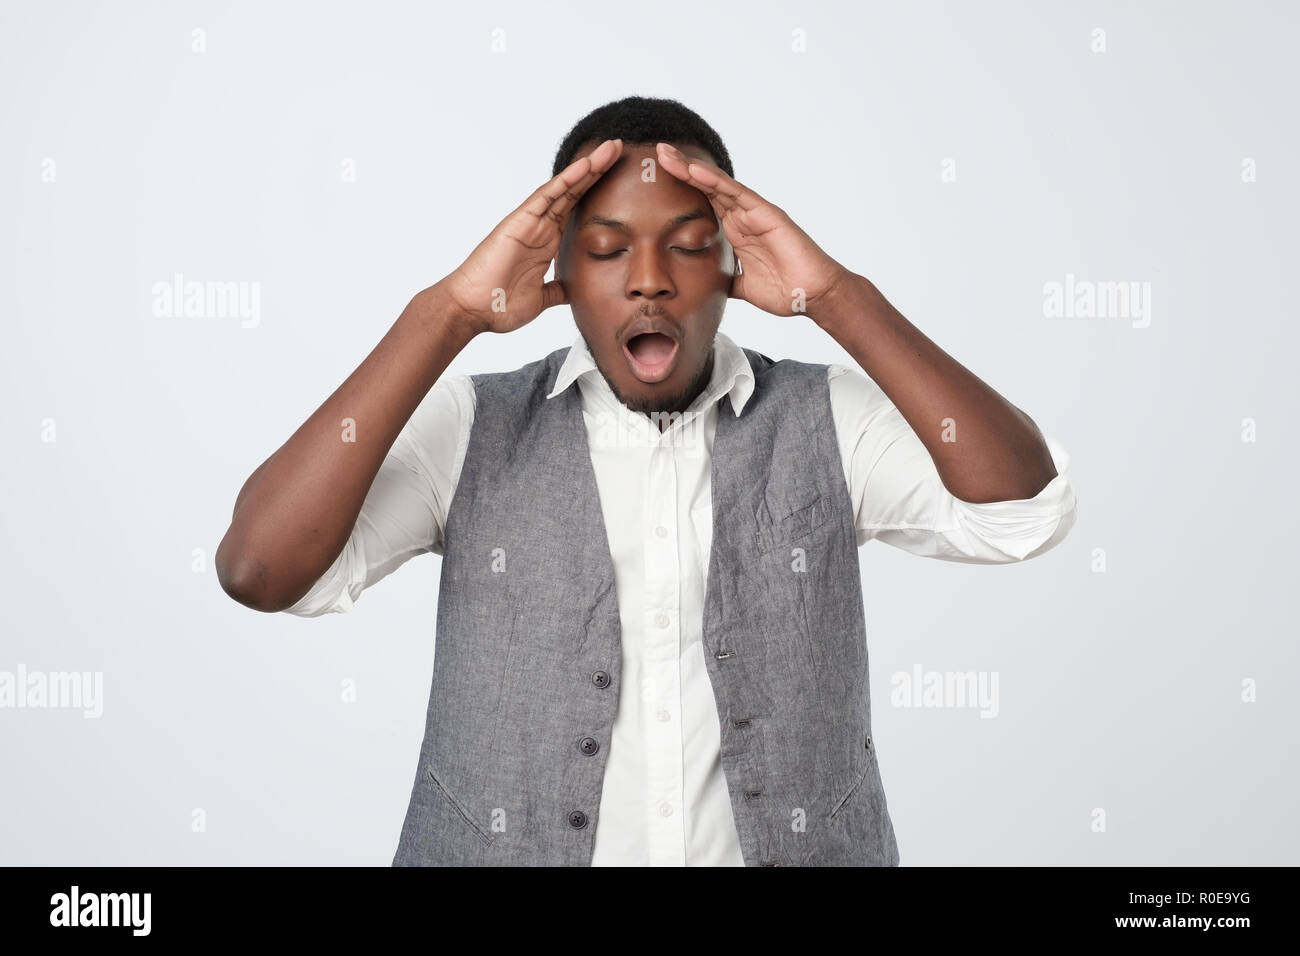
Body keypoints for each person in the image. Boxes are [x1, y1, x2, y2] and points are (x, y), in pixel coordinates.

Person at [215, 95, 1077, 867]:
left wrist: (837, 296)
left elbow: (1020, 511)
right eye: (604, 249)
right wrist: (447, 315)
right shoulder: (474, 428)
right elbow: (261, 568)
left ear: (732, 265)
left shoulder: (828, 420)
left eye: (691, 246)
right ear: (561, 273)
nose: (650, 277)